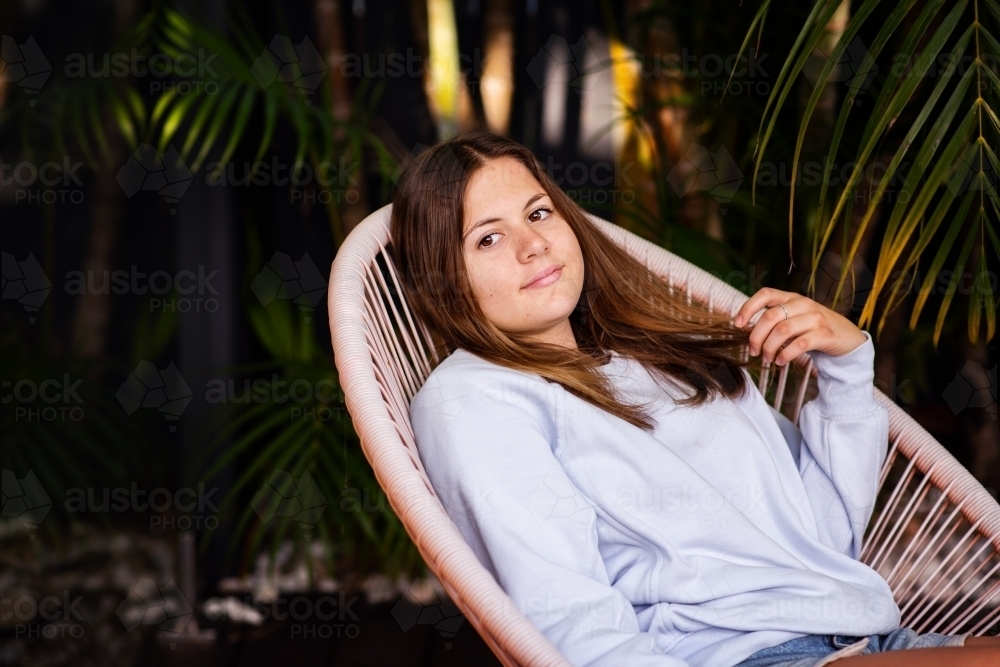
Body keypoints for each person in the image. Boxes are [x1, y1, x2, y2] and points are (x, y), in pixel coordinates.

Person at [390, 132, 1000, 667]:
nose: (533, 245)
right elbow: (567, 618)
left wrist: (846, 368)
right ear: (443, 274)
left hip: (860, 634)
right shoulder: (475, 399)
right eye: (489, 239)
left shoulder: (652, 357)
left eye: (540, 213)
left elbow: (820, 544)